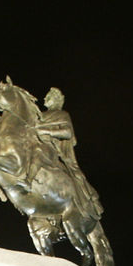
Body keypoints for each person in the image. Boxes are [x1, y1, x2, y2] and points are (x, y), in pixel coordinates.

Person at [34, 88, 104, 220]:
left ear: (56, 99)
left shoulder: (62, 114)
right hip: (37, 147)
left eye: (48, 97)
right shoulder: (39, 116)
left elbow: (67, 132)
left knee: (75, 176)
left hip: (54, 151)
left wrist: (47, 131)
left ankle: (86, 201)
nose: (44, 99)